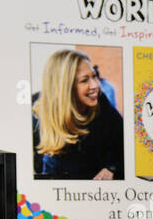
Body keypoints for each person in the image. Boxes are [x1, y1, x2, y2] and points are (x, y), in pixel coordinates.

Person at [32, 49, 124, 180]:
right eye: (84, 80)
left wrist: (112, 168)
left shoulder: (100, 103)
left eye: (94, 76)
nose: (95, 85)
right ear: (65, 87)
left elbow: (124, 146)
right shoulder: (37, 119)